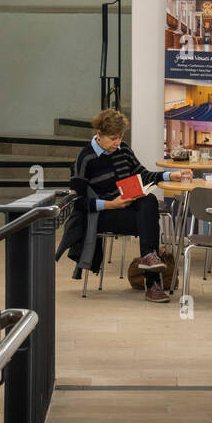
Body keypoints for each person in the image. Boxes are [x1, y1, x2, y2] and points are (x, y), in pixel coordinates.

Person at [73, 108, 191, 304]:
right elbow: (78, 202)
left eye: (120, 137)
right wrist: (111, 204)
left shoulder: (124, 150)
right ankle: (152, 284)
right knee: (149, 222)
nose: (117, 143)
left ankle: (149, 260)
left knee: (149, 201)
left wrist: (170, 175)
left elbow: (143, 175)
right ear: (99, 134)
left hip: (129, 210)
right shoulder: (85, 158)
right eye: (113, 138)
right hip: (104, 215)